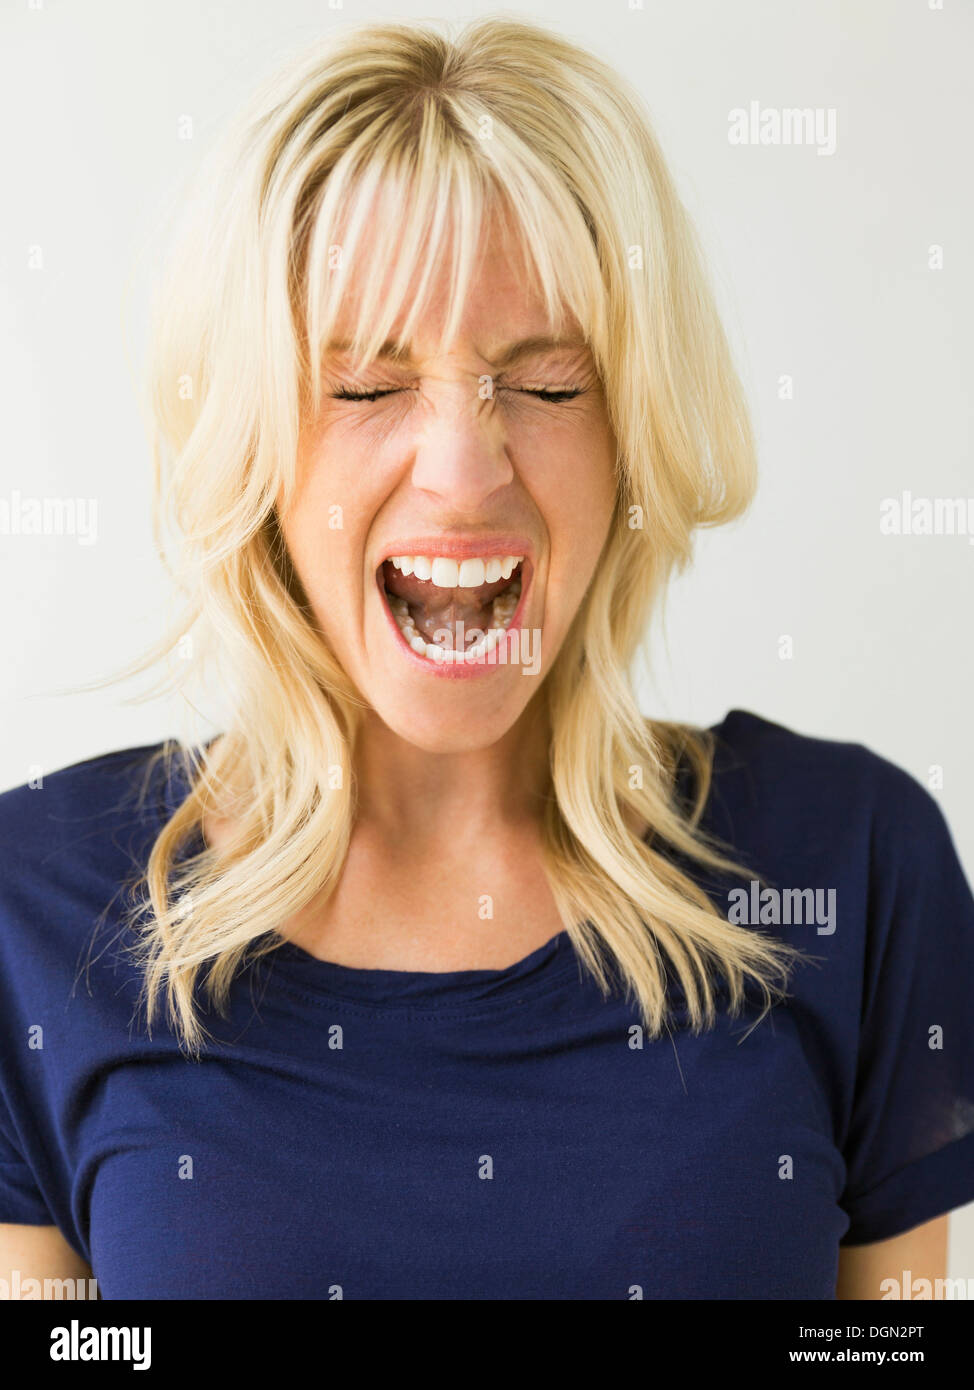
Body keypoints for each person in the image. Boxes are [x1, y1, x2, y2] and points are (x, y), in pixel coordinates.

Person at [1, 16, 972, 1301]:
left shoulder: (851, 863)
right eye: (362, 385)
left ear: (635, 430)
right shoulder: (36, 907)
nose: (464, 472)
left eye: (549, 383)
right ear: (252, 449)